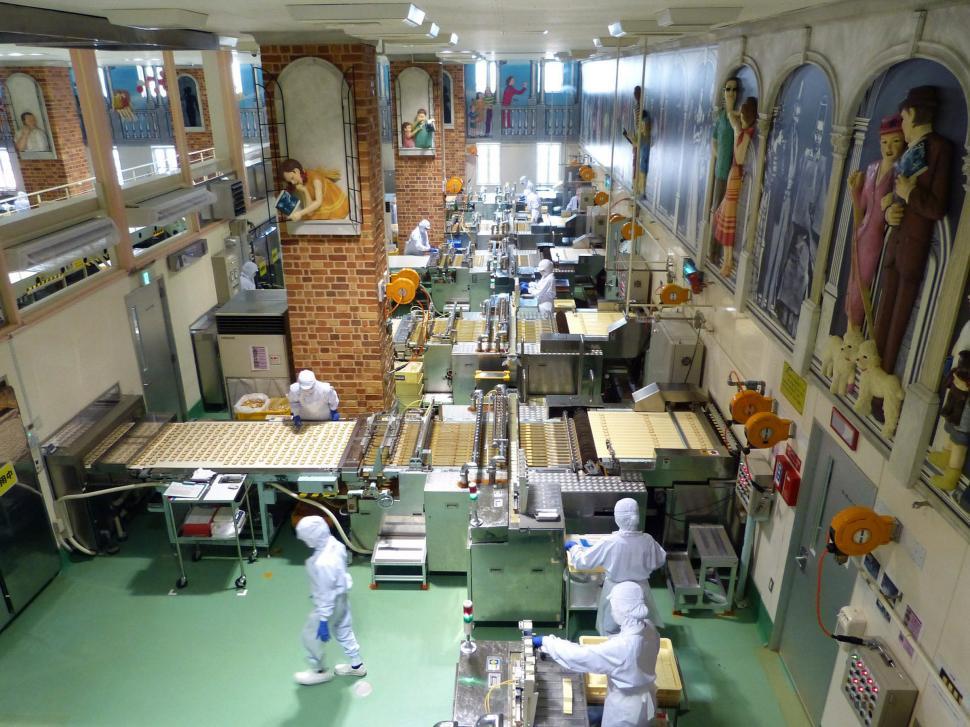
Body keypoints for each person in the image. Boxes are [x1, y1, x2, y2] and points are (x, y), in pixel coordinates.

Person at [875, 85, 952, 373]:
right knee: (883, 317)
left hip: (914, 248)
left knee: (897, 324)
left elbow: (936, 207)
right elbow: (898, 195)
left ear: (914, 115)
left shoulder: (939, 149)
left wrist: (909, 195)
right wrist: (889, 208)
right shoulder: (910, 152)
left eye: (904, 119)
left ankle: (884, 388)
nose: (903, 126)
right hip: (896, 243)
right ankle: (872, 376)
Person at [535, 581, 659, 727]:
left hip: (625, 712)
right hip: (646, 700)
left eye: (614, 607)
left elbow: (580, 656)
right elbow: (620, 645)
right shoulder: (648, 627)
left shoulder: (623, 648)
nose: (613, 611)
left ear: (623, 609)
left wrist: (547, 642)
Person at [567, 498, 666, 633]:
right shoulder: (647, 540)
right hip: (640, 589)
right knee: (638, 628)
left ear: (617, 518)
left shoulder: (610, 542)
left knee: (611, 629)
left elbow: (582, 562)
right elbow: (660, 559)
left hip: (615, 591)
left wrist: (574, 548)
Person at [844, 114, 905, 333]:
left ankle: (855, 329)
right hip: (862, 233)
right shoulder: (872, 169)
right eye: (885, 142)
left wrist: (891, 205)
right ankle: (849, 328)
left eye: (895, 141)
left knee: (865, 282)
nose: (889, 147)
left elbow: (897, 206)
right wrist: (855, 189)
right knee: (854, 281)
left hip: (877, 238)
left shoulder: (900, 173)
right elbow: (861, 207)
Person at [293, 516, 366, 685]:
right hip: (341, 598)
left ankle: (319, 671)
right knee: (343, 629)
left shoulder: (323, 563)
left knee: (310, 636)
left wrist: (324, 620)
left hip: (329, 604)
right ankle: (357, 665)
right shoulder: (334, 544)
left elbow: (326, 593)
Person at [711, 96, 757, 277]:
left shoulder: (745, 134)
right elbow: (731, 114)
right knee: (723, 217)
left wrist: (739, 130)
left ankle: (728, 260)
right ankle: (727, 259)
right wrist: (739, 119)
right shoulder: (743, 131)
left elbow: (738, 157)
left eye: (744, 117)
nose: (741, 119)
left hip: (736, 175)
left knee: (726, 218)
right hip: (733, 174)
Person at [279, 158, 349, 222]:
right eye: (290, 181)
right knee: (309, 217)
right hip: (317, 206)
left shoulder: (315, 179)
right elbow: (309, 212)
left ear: (296, 171)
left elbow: (318, 202)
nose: (293, 182)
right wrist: (305, 191)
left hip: (331, 203)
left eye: (292, 178)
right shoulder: (301, 184)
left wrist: (300, 213)